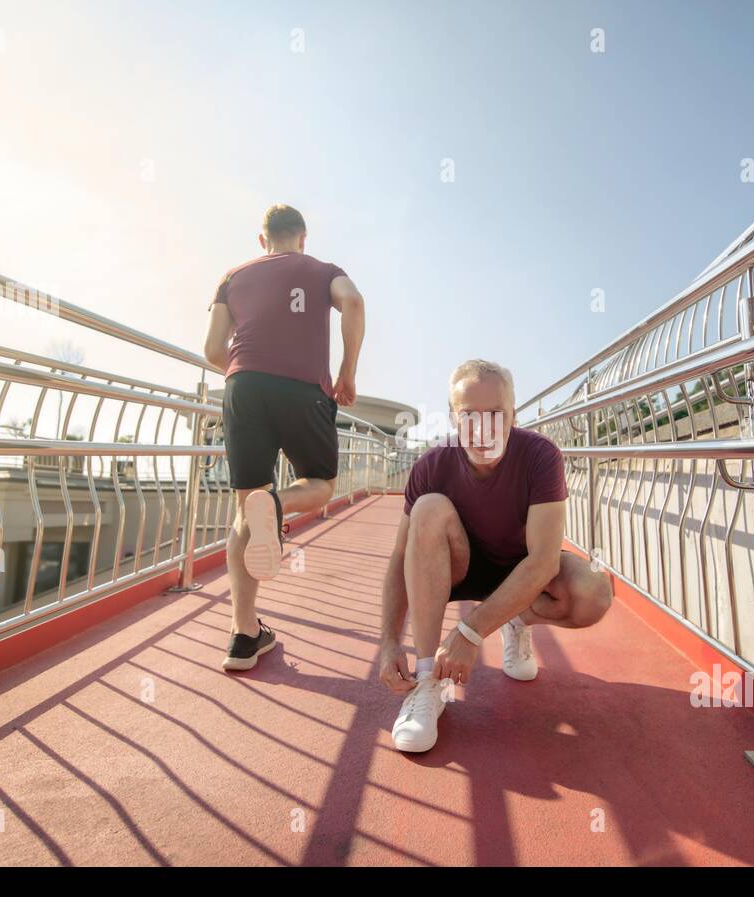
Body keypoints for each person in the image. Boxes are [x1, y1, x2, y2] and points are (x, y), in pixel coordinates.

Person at [377, 358, 613, 752]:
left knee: (593, 593)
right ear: (453, 419)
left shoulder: (540, 456)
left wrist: (470, 632)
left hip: (517, 571)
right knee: (429, 508)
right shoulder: (431, 466)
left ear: (514, 414)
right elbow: (400, 560)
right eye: (470, 415)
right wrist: (387, 643)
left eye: (495, 414)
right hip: (456, 568)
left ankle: (514, 620)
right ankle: (427, 681)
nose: (483, 428)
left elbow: (542, 561)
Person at [202, 203, 365, 671]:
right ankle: (275, 506)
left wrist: (250, 369)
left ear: (262, 240)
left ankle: (242, 634)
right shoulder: (321, 270)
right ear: (303, 237)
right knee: (319, 484)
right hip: (303, 389)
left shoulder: (233, 276)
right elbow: (353, 302)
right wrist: (346, 372)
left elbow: (214, 349)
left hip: (244, 386)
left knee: (245, 507)